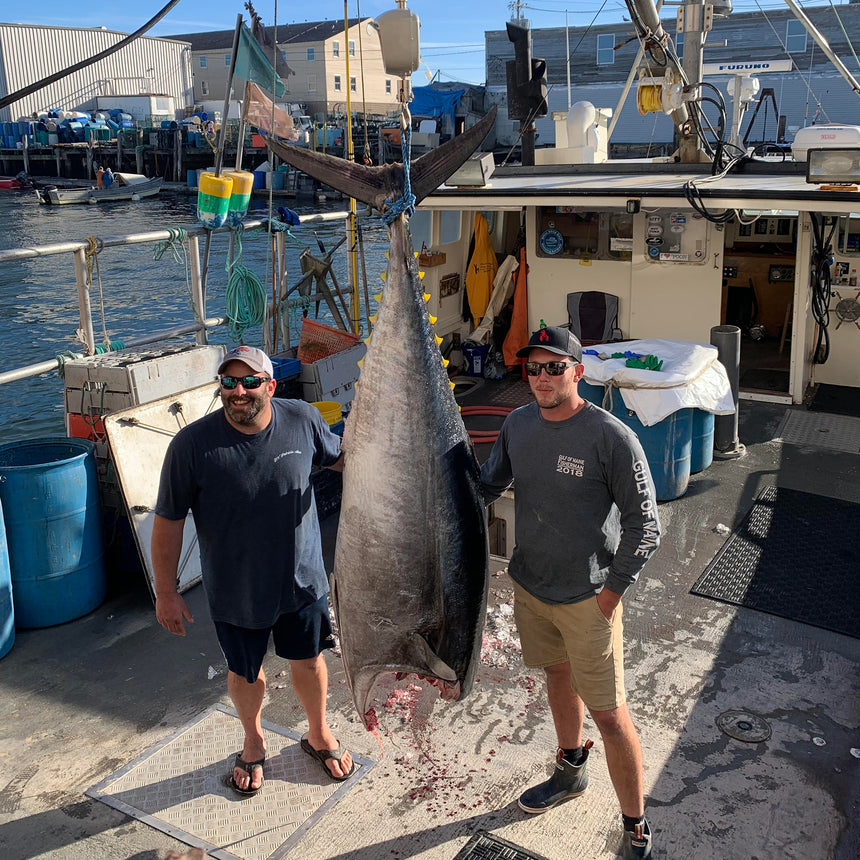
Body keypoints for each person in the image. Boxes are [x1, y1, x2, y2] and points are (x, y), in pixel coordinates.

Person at [480, 326, 661, 859]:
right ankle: (569, 770)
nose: (541, 378)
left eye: (554, 367)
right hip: (531, 588)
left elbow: (644, 525)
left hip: (588, 600)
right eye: (532, 368)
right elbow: (489, 484)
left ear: (578, 372)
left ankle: (634, 823)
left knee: (609, 713)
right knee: (557, 677)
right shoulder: (517, 424)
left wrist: (611, 593)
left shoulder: (609, 436)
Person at [152, 345, 354, 797]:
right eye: (228, 382)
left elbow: (341, 459)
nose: (238, 391)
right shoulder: (191, 445)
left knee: (309, 659)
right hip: (235, 590)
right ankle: (253, 739)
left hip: (302, 582)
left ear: (271, 385)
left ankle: (318, 732)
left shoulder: (302, 418)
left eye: (249, 382)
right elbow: (167, 521)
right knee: (246, 671)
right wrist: (166, 591)